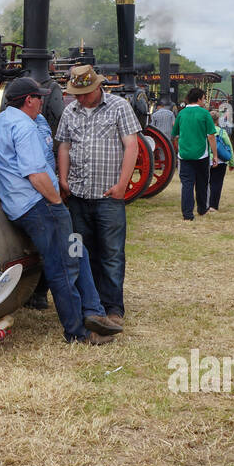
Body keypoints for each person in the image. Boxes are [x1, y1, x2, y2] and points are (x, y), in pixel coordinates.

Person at [0, 76, 115, 344]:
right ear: (28, 100)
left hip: (19, 207)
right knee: (61, 267)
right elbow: (36, 175)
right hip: (40, 206)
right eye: (39, 98)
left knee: (77, 249)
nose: (42, 102)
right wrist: (57, 203)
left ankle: (94, 311)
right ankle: (78, 333)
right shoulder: (25, 128)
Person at [56, 64, 140, 331]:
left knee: (112, 254)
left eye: (83, 94)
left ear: (97, 88)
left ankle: (114, 308)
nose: (79, 98)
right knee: (82, 251)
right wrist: (63, 179)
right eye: (76, 94)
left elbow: (132, 145)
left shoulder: (119, 107)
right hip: (78, 195)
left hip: (108, 195)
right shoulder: (70, 111)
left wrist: (122, 185)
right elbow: (64, 147)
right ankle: (92, 306)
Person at [172, 87, 218, 220]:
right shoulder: (205, 114)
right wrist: (215, 155)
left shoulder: (181, 114)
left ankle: (187, 214)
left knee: (187, 185)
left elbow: (174, 135)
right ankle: (202, 208)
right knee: (202, 183)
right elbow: (211, 136)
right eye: (204, 99)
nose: (204, 101)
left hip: (184, 155)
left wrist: (178, 149)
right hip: (201, 155)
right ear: (199, 99)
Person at [209, 109, 234, 211]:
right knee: (217, 184)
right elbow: (229, 147)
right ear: (217, 120)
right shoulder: (222, 132)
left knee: (206, 183)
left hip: (207, 160)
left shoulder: (204, 132)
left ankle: (204, 204)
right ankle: (213, 205)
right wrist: (231, 163)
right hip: (221, 161)